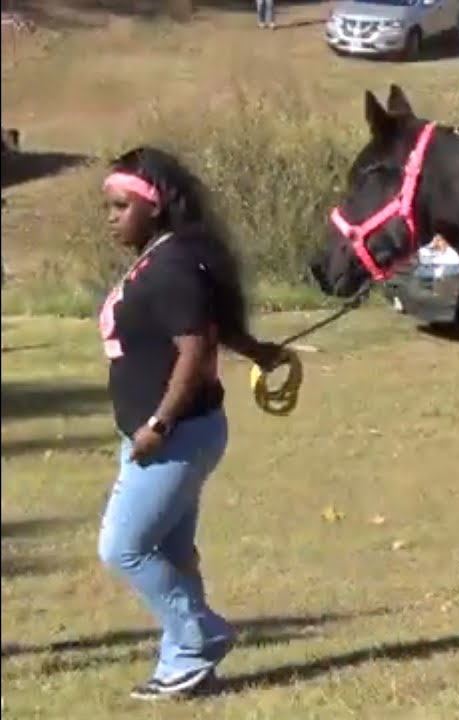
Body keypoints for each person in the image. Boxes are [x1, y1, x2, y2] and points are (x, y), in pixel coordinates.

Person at [95, 146, 284, 699]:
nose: (111, 218)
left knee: (122, 546)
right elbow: (212, 326)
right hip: (161, 432)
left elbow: (196, 349)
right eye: (108, 207)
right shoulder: (161, 257)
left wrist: (158, 422)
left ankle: (199, 633)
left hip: (172, 435)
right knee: (172, 552)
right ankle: (185, 665)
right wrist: (258, 350)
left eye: (119, 206)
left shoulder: (171, 263)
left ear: (152, 207)